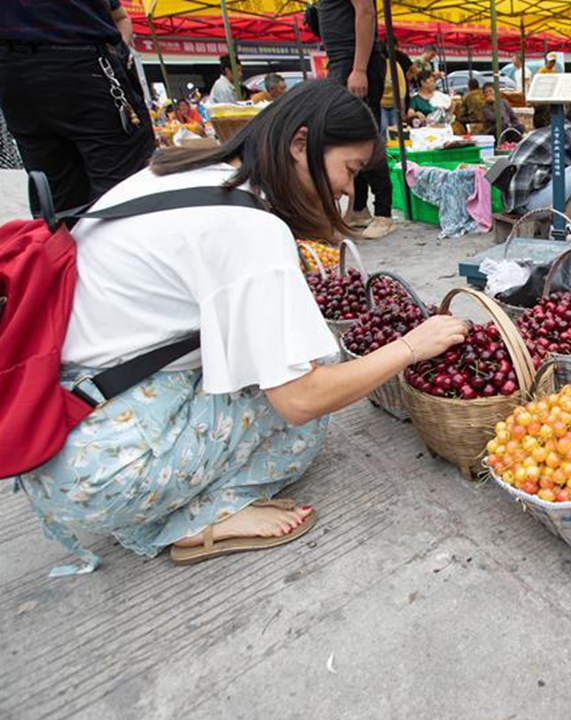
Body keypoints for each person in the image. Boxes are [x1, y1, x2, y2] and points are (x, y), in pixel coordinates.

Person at [8, 81, 469, 574]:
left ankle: (171, 491)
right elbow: (300, 399)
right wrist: (409, 346)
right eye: (349, 170)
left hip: (57, 417)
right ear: (300, 144)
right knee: (306, 420)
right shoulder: (250, 227)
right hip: (99, 470)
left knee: (290, 368)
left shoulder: (181, 166)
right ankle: (194, 519)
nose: (346, 190)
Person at [0, 0, 155, 214]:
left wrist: (121, 50)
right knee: (121, 195)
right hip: (78, 57)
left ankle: (66, 241)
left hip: (16, 73)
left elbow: (120, 16)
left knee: (59, 203)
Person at [317, 0, 395, 239]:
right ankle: (359, 207)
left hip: (355, 61)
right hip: (342, 59)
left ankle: (383, 213)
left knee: (364, 135)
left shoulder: (358, 65)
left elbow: (366, 11)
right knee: (346, 138)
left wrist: (359, 69)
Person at [502, 102, 571, 220]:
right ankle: (564, 222)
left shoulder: (556, 128)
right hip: (529, 203)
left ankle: (563, 218)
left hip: (514, 203)